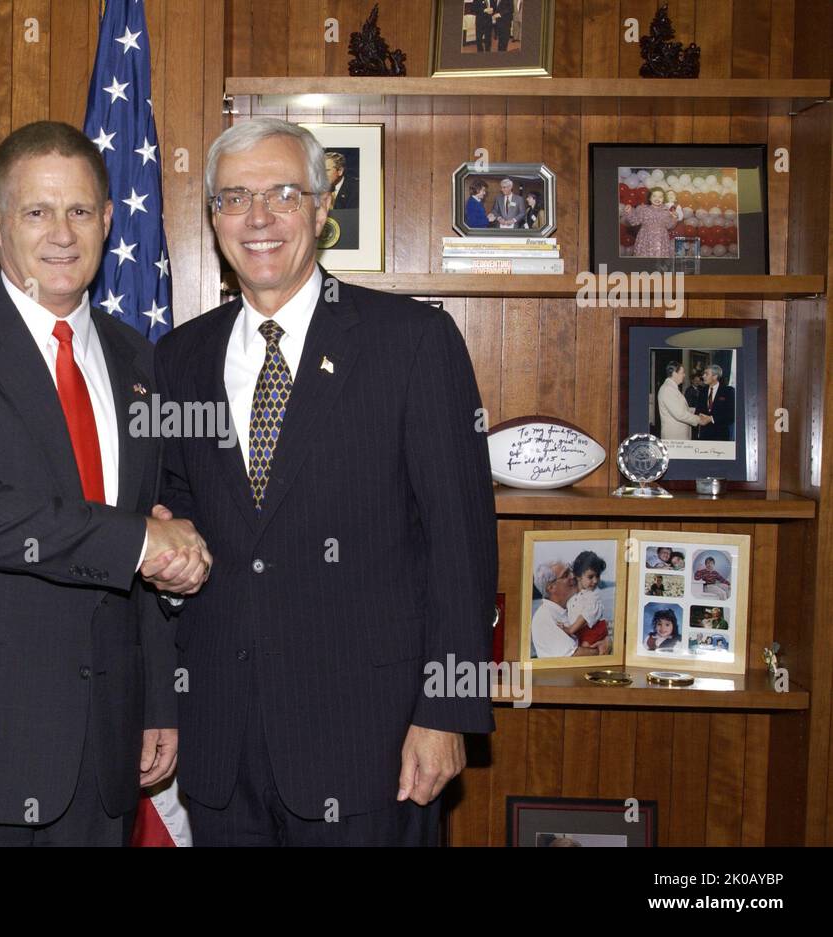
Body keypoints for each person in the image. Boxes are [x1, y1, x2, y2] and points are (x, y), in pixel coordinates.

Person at [153, 117, 499, 846]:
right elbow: (178, 515)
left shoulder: (412, 342)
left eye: (283, 193)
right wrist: (165, 554)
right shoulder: (178, 359)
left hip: (372, 745)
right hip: (221, 746)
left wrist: (445, 711)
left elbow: (461, 547)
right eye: (234, 197)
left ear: (321, 205)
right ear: (213, 216)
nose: (258, 217)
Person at [0, 120, 211, 847]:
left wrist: (156, 699)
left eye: (80, 210)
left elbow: (142, 547)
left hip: (102, 759)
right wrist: (142, 539)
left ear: (109, 220)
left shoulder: (139, 363)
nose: (62, 232)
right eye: (36, 211)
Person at [531, 562, 612, 659]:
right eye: (566, 575)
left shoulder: (568, 609)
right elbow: (573, 655)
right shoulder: (544, 618)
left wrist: (607, 639)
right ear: (551, 588)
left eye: (570, 571)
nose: (573, 576)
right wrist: (602, 648)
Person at [558, 550, 609, 648]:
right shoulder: (575, 596)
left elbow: (585, 616)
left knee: (585, 648)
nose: (595, 581)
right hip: (580, 631)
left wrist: (570, 630)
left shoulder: (594, 595)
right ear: (578, 576)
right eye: (590, 577)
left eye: (597, 576)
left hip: (594, 630)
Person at [622, 187, 682, 258]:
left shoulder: (666, 211)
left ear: (663, 199)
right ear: (650, 198)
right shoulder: (643, 209)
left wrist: (674, 218)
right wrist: (629, 212)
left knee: (659, 259)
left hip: (661, 238)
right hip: (645, 237)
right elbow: (634, 221)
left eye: (660, 196)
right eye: (654, 196)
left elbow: (669, 226)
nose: (657, 198)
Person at [657, 363, 710, 440]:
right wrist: (699, 420)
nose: (684, 375)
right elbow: (680, 414)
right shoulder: (668, 389)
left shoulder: (672, 388)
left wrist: (698, 411)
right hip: (674, 437)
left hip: (678, 435)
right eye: (682, 373)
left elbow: (682, 408)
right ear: (675, 373)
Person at [696, 364, 735, 442]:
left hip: (720, 437)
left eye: (706, 374)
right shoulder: (702, 391)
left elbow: (731, 416)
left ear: (715, 376)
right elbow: (698, 410)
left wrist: (711, 419)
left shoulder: (728, 391)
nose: (703, 376)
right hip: (704, 436)